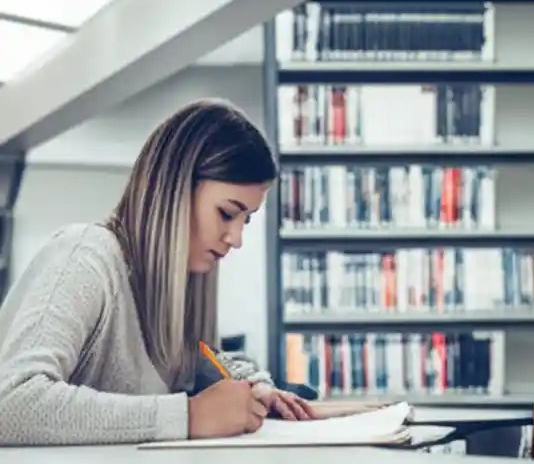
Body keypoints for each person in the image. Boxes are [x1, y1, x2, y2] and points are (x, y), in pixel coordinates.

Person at [0, 100, 315, 446]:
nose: (236, 239)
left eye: (246, 219)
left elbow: (203, 360)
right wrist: (190, 416)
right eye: (227, 213)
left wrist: (256, 389)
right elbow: (10, 402)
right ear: (175, 190)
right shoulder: (86, 255)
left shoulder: (167, 292)